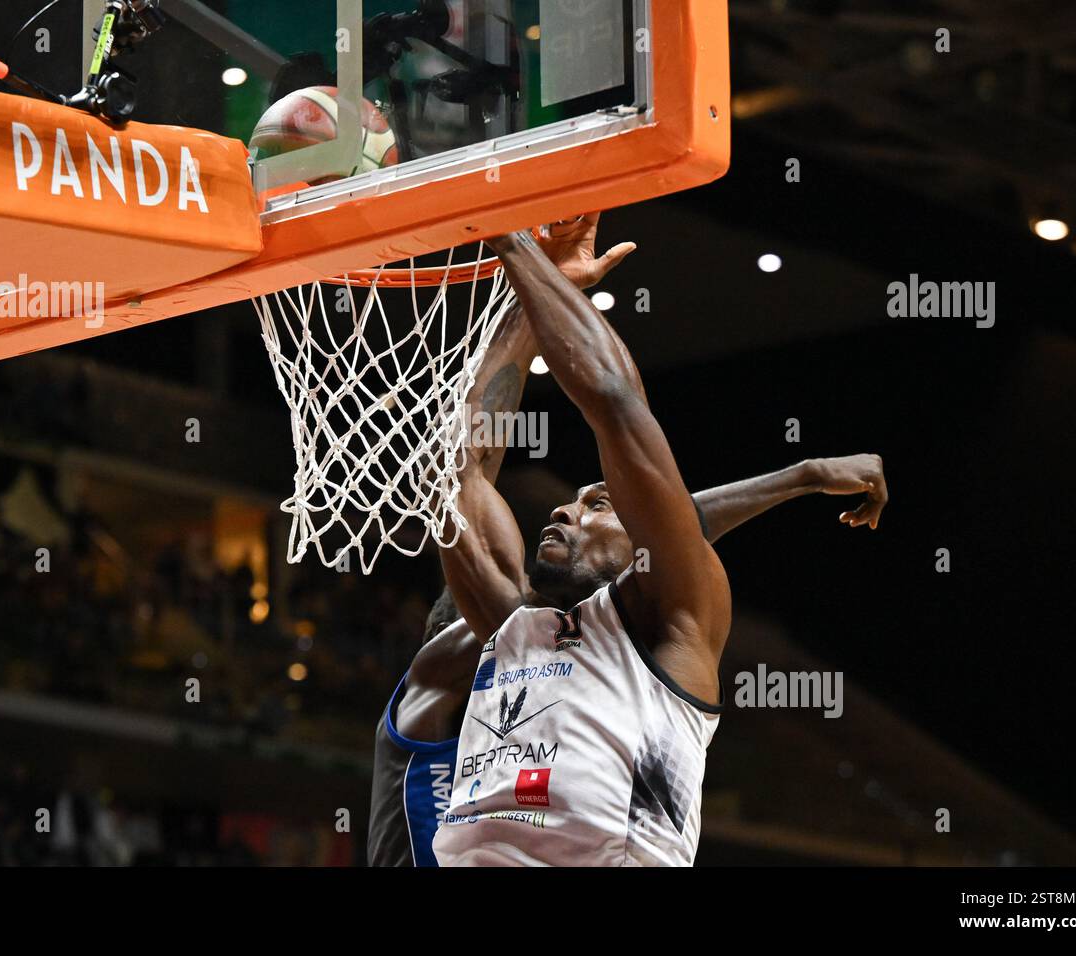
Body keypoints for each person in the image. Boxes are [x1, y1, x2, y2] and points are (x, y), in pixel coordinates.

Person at [368, 217, 888, 866]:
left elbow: (615, 403)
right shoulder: (509, 623)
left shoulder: (677, 623)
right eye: (572, 500)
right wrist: (532, 295)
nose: (565, 508)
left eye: (598, 503)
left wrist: (512, 241)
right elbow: (461, 470)